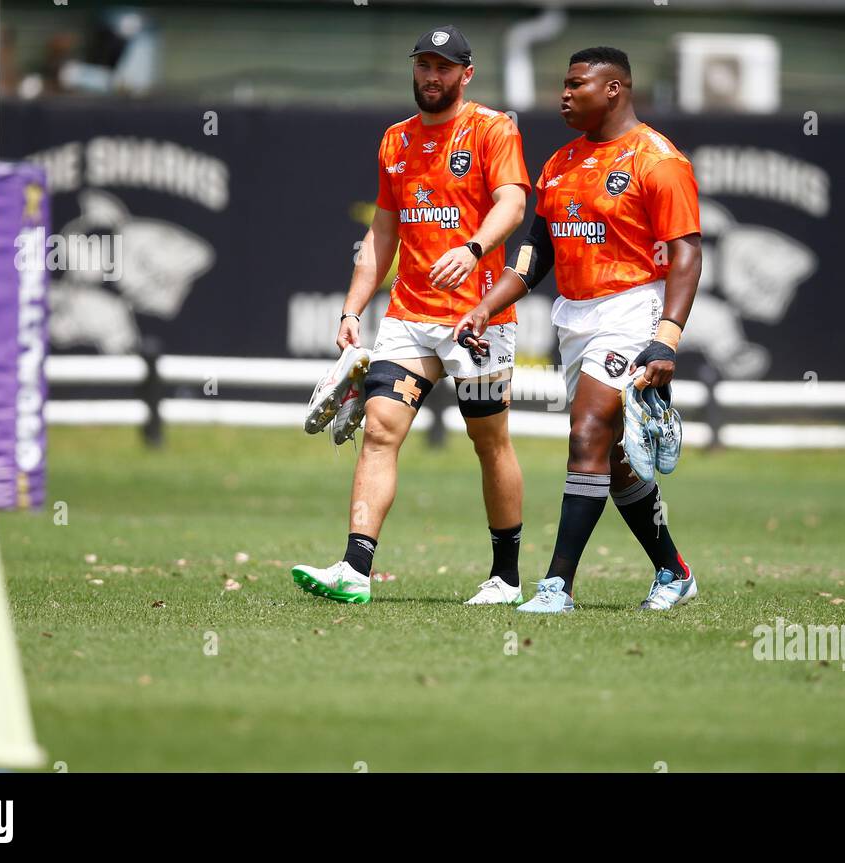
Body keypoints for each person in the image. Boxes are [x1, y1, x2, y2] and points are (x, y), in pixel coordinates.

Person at [453, 46, 702, 613]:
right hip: (575, 317)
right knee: (610, 459)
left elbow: (687, 255)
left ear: (614, 89)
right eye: (563, 85)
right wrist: (486, 306)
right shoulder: (560, 162)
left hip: (633, 309)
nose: (564, 94)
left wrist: (666, 339)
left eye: (576, 84)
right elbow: (535, 255)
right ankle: (673, 570)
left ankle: (556, 585)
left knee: (585, 433)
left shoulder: (657, 159)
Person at [294, 25, 532, 606]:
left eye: (444, 67)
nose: (432, 76)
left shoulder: (492, 128)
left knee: (489, 442)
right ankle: (354, 570)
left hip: (477, 320)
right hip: (408, 315)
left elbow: (514, 201)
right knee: (379, 428)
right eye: (424, 65)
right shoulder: (395, 140)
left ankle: (506, 577)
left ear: (466, 74)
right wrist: (353, 307)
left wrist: (473, 248)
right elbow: (382, 231)